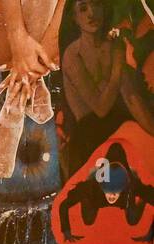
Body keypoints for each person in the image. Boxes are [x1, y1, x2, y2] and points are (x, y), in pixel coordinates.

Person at [61, 0, 154, 175]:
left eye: (96, 5)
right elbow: (100, 109)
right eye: (83, 9)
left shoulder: (113, 48)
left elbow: (132, 98)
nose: (91, 13)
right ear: (74, 17)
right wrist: (117, 66)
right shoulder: (72, 55)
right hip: (89, 139)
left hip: (119, 133)